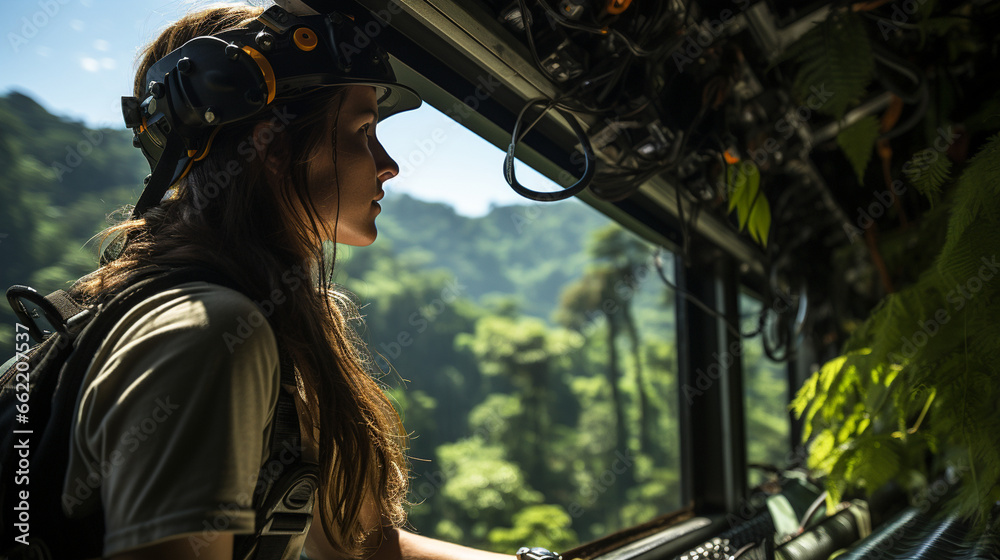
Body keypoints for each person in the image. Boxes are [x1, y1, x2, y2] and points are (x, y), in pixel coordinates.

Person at [58, 3, 527, 560]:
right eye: (363, 130)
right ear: (274, 149)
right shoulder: (212, 334)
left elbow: (363, 546)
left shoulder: (280, 321)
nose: (388, 164)